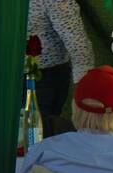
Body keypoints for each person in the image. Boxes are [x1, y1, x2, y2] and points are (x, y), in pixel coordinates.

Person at [26, 0, 94, 136]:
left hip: (45, 78)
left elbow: (78, 45)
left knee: (38, 135)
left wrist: (85, 93)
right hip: (7, 75)